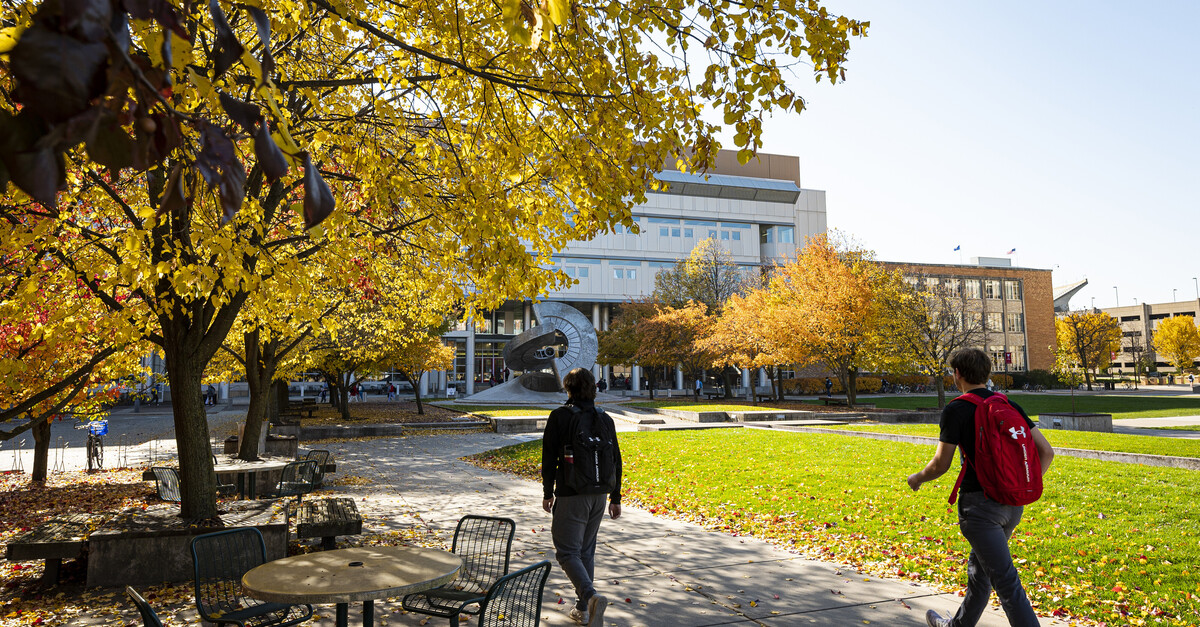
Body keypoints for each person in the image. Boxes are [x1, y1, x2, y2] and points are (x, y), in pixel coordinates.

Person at [907, 348, 1055, 627]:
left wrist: (917, 478)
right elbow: (1046, 452)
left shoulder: (956, 409)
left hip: (979, 509)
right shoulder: (1008, 405)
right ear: (986, 374)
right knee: (980, 573)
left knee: (1006, 583)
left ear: (958, 373)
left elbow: (941, 464)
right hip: (1012, 506)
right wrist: (1022, 484)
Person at [541, 368, 622, 627]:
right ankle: (582, 610)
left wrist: (548, 491)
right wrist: (616, 497)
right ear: (593, 388)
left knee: (566, 552)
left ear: (568, 388)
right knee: (586, 551)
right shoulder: (604, 417)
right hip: (599, 493)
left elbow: (549, 457)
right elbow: (616, 459)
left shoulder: (560, 416)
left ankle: (590, 597)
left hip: (571, 493)